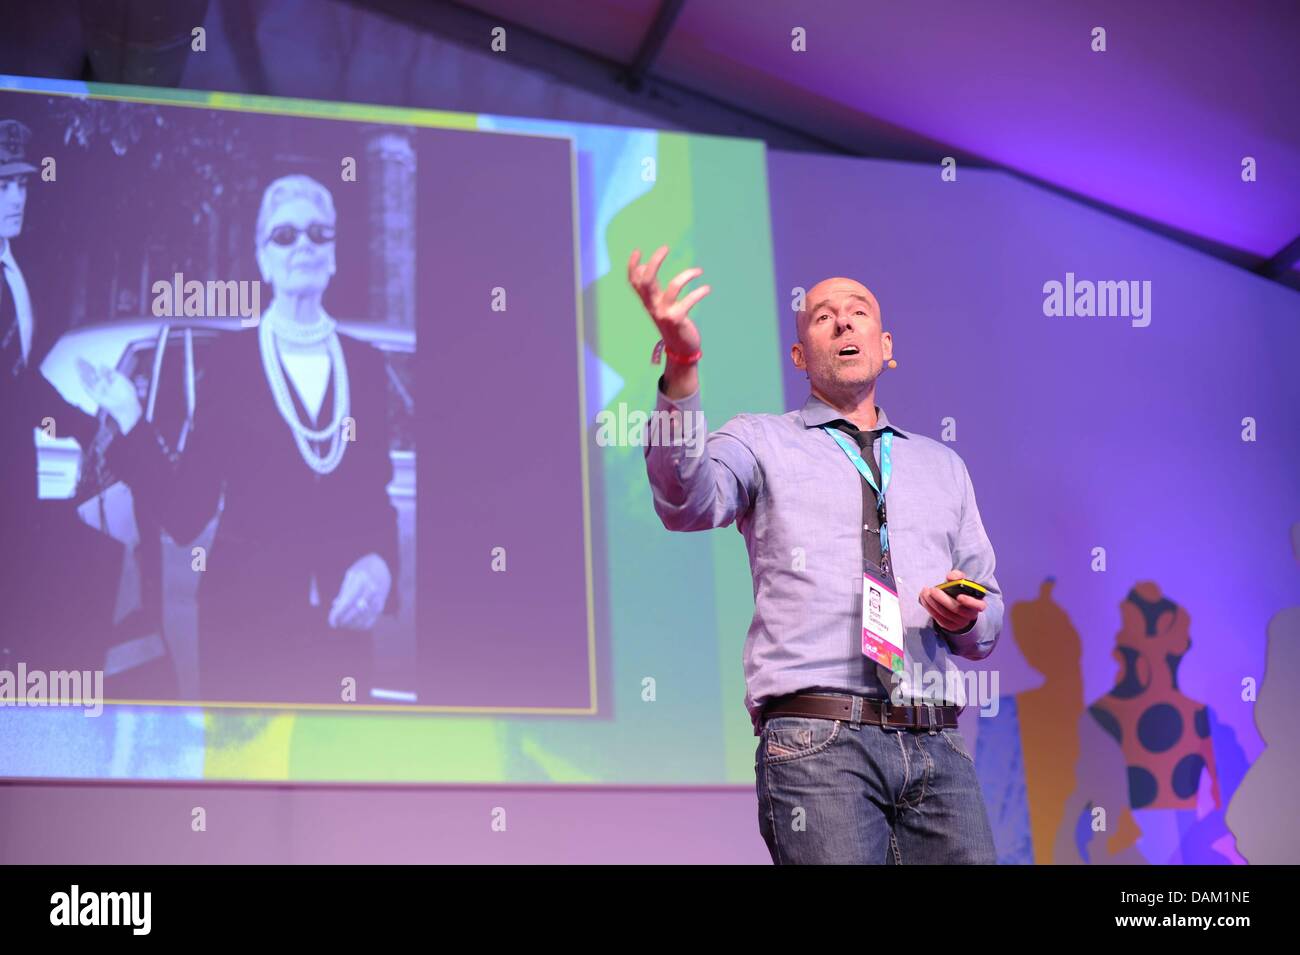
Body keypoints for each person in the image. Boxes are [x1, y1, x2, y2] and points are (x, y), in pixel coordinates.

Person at [631, 245, 1003, 864]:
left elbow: (987, 617)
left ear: (886, 347)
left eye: (858, 312)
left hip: (937, 742)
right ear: (802, 356)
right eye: (823, 315)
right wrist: (683, 366)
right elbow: (684, 501)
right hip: (818, 741)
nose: (843, 321)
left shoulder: (943, 466)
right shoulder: (759, 440)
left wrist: (968, 617)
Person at [81, 174, 398, 704]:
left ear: (335, 256)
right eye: (285, 235)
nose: (304, 246)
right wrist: (131, 419)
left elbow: (375, 500)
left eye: (320, 234)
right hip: (245, 632)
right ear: (263, 259)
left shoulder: (364, 367)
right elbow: (186, 513)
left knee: (335, 782)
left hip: (341, 641)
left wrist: (381, 564)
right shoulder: (231, 363)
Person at [0, 118, 120, 675]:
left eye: (21, 185)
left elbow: (18, 383)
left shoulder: (12, 267)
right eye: (3, 187)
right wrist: (78, 422)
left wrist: (80, 422)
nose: (16, 198)